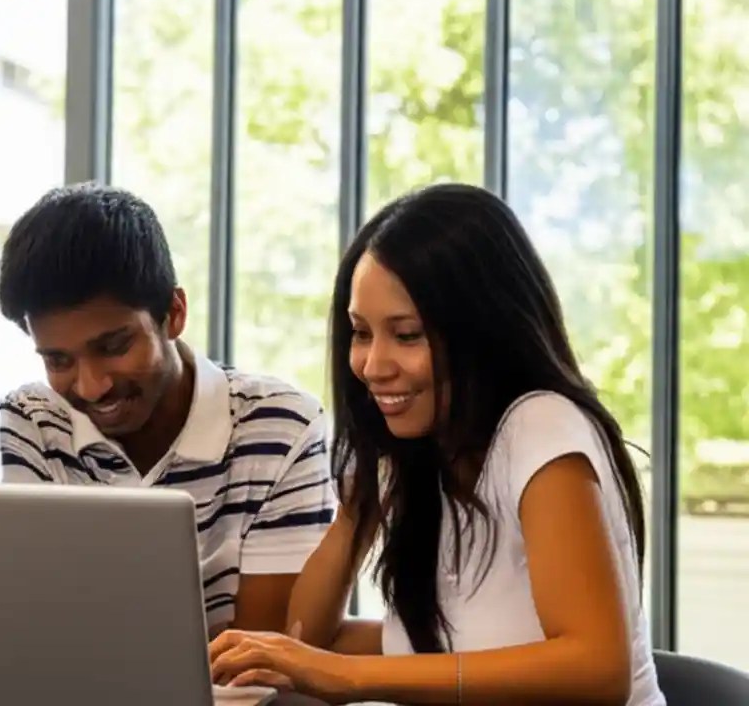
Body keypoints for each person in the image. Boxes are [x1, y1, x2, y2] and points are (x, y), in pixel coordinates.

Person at [209, 183, 664, 704]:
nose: (373, 367)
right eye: (361, 333)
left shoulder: (541, 427)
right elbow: (310, 642)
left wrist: (349, 677)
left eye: (406, 335)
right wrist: (358, 514)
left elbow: (595, 669)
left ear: (482, 332)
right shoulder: (428, 456)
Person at [0, 183, 337, 636]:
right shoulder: (34, 422)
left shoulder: (281, 429)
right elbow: (34, 624)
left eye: (114, 346)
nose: (91, 385)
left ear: (173, 313)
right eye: (58, 360)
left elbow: (263, 663)